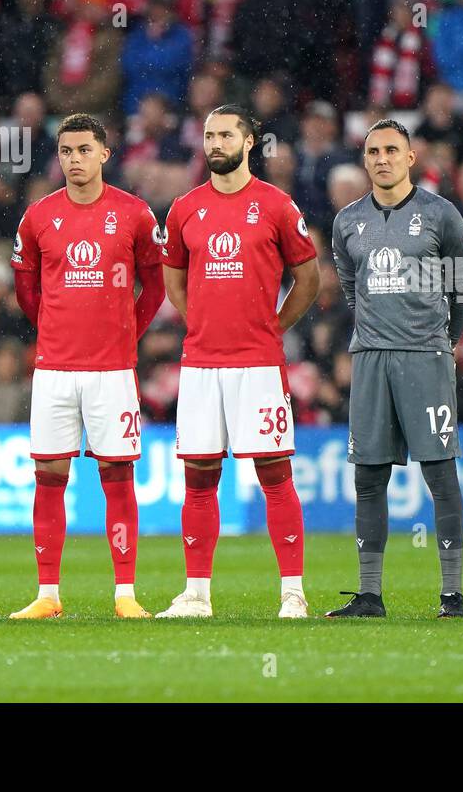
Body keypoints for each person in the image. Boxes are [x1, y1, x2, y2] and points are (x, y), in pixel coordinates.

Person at [156, 105, 320, 619]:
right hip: (202, 365)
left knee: (275, 474)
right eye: (208, 135)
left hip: (259, 364)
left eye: (226, 134)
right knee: (199, 477)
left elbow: (308, 278)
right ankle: (197, 595)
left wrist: (273, 326)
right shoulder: (184, 208)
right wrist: (201, 320)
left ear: (249, 142)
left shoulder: (275, 205)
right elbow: (173, 281)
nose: (215, 143)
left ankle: (293, 592)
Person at [8, 113, 166, 620]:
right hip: (54, 369)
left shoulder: (135, 214)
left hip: (112, 371)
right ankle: (47, 594)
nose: (74, 160)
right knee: (49, 476)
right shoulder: (37, 217)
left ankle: (125, 594)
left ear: (104, 153)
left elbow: (155, 286)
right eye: (66, 151)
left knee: (117, 477)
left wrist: (126, 333)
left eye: (83, 150)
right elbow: (28, 292)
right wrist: (56, 330)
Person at [327, 119, 463, 618]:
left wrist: (441, 343)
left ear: (411, 157)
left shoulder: (441, 214)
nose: (382, 158)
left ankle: (451, 596)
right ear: (365, 159)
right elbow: (352, 289)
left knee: (440, 473)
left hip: (424, 359)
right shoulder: (347, 221)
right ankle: (370, 595)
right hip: (370, 359)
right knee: (368, 477)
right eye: (373, 151)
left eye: (392, 149)